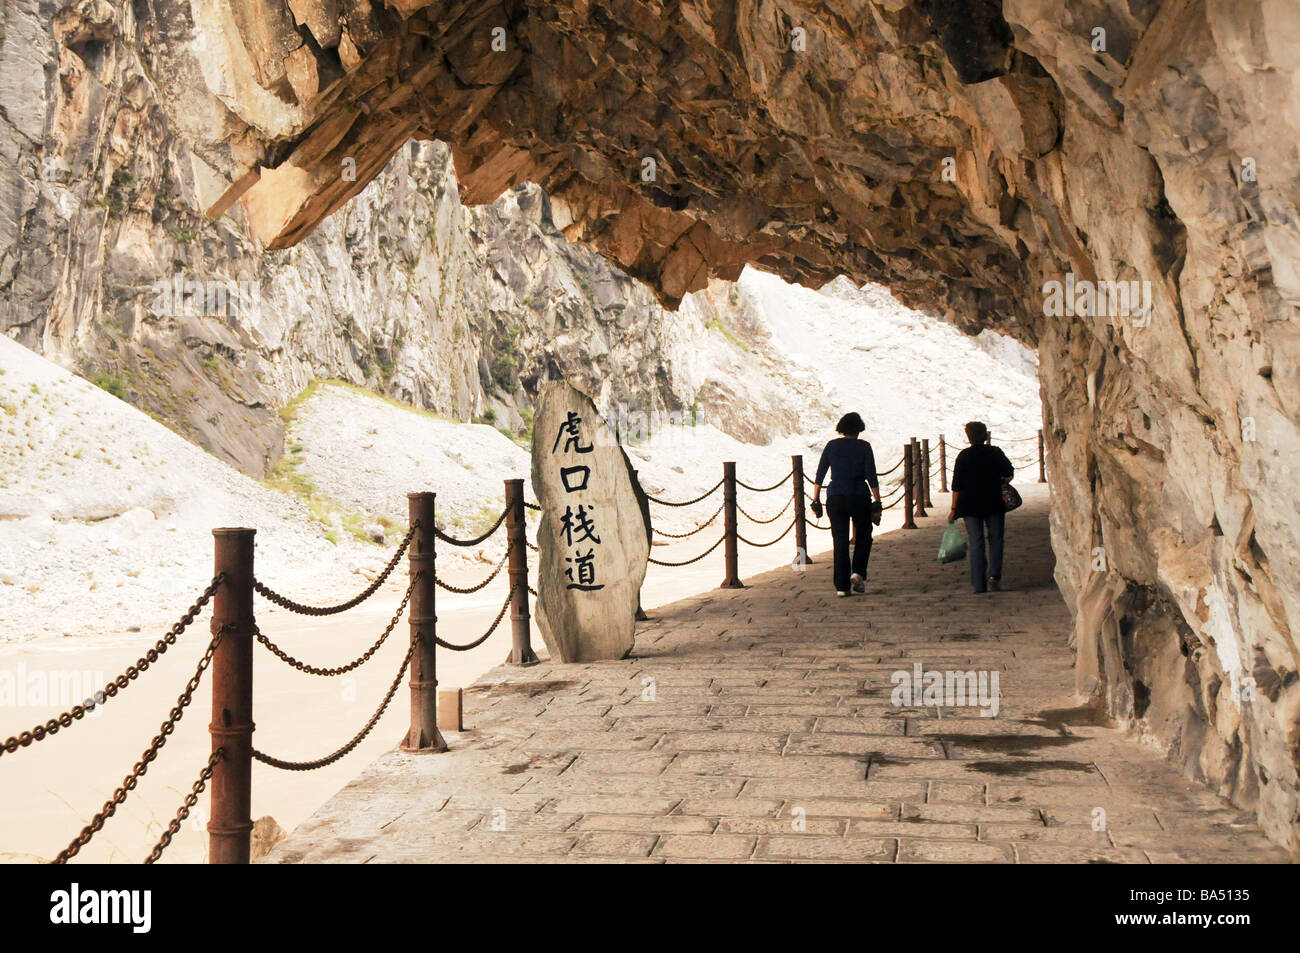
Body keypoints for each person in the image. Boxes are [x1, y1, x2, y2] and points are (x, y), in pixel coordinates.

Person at [810, 413, 882, 597]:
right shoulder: (864, 447)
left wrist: (816, 499)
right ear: (859, 430)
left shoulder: (832, 445)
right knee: (864, 536)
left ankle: (842, 587)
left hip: (836, 497)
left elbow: (820, 474)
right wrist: (877, 501)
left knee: (839, 541)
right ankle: (857, 572)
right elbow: (871, 476)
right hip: (859, 495)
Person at [947, 421, 1014, 593]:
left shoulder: (964, 456)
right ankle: (994, 577)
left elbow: (956, 486)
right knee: (996, 539)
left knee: (976, 542)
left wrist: (954, 509)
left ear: (968, 436)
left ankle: (978, 583)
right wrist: (1000, 482)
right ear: (985, 435)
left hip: (970, 504)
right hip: (993, 501)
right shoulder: (995, 452)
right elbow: (1009, 473)